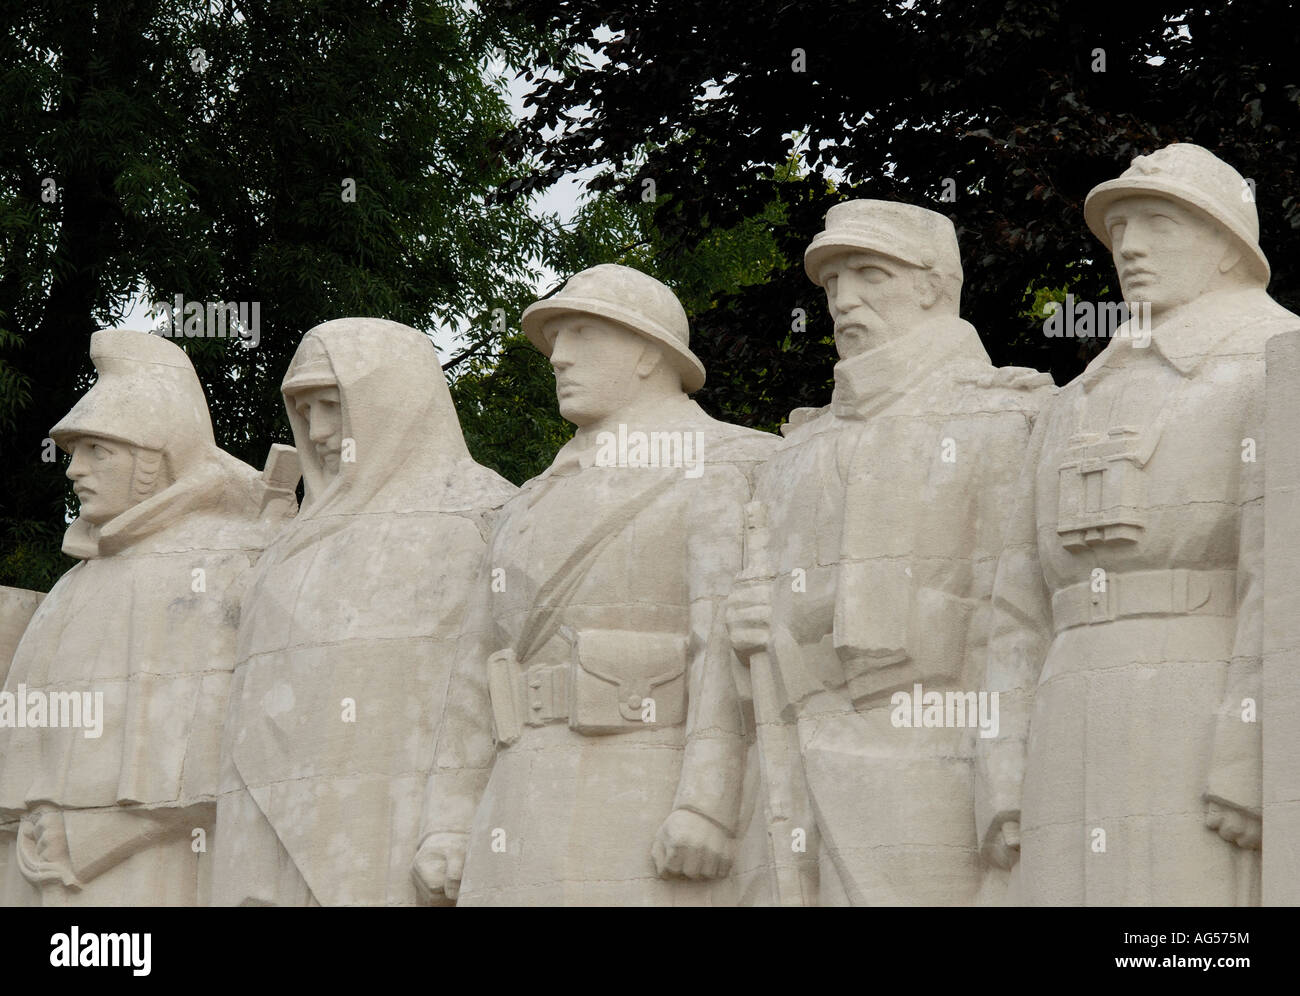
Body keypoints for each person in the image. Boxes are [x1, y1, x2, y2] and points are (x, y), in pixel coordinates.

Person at [977, 143, 1300, 904]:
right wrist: (999, 762)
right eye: (1119, 230)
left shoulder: (1273, 364)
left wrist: (1249, 744)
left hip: (1195, 692)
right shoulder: (1077, 398)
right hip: (1067, 701)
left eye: (1157, 223)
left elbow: (1278, 582)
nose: (1130, 247)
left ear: (1228, 247)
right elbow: (1015, 603)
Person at [413, 264, 777, 905]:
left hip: (643, 792)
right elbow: (475, 669)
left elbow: (720, 648)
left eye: (582, 335)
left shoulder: (729, 464)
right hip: (516, 799)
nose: (560, 357)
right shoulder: (526, 504)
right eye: (556, 341)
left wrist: (708, 805)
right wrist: (447, 820)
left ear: (646, 353)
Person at [726, 200, 1053, 905]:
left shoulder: (1008, 417)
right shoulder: (794, 452)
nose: (844, 299)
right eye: (832, 282)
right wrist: (756, 626)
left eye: (869, 273)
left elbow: (1021, 615)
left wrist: (1006, 777)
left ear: (933, 285)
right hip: (802, 759)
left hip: (940, 761)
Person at [213, 318, 515, 906]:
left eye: (334, 406)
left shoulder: (483, 515)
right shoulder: (283, 547)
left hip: (393, 836)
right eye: (305, 412)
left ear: (393, 403)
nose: (319, 431)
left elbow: (486, 687)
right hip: (263, 835)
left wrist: (453, 824)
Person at [0, 328, 293, 906]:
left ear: (150, 463)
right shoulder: (72, 585)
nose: (73, 471)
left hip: (155, 867)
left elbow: (229, 753)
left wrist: (99, 835)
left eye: (96, 451)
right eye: (73, 452)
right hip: (41, 864)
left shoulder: (222, 563)